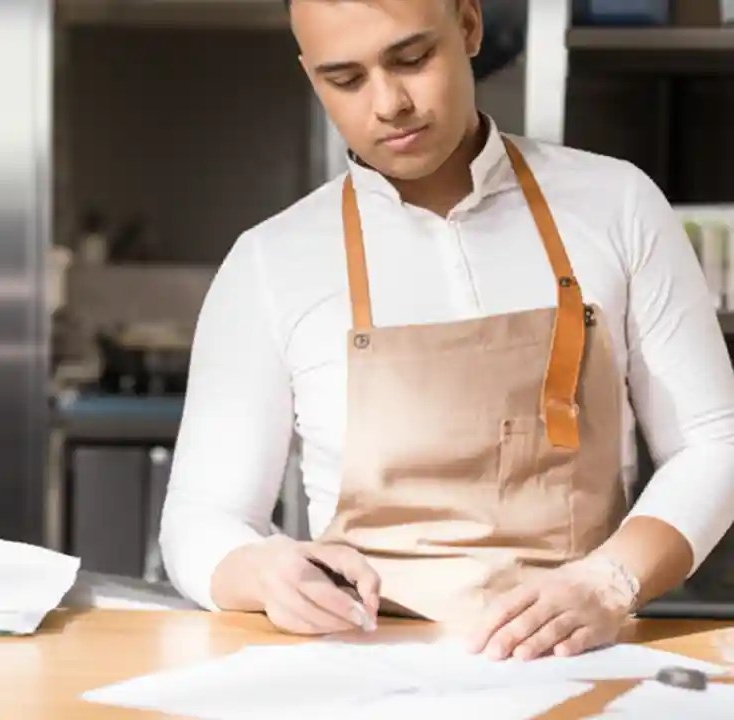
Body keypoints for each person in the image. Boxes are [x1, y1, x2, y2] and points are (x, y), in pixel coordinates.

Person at [158, 0, 734, 662]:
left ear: (468, 25)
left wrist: (608, 584)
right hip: (368, 671)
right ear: (309, 73)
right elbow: (200, 519)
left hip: (584, 662)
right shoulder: (269, 262)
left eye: (412, 59)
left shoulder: (616, 204)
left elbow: (712, 441)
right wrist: (261, 570)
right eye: (344, 79)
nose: (388, 104)